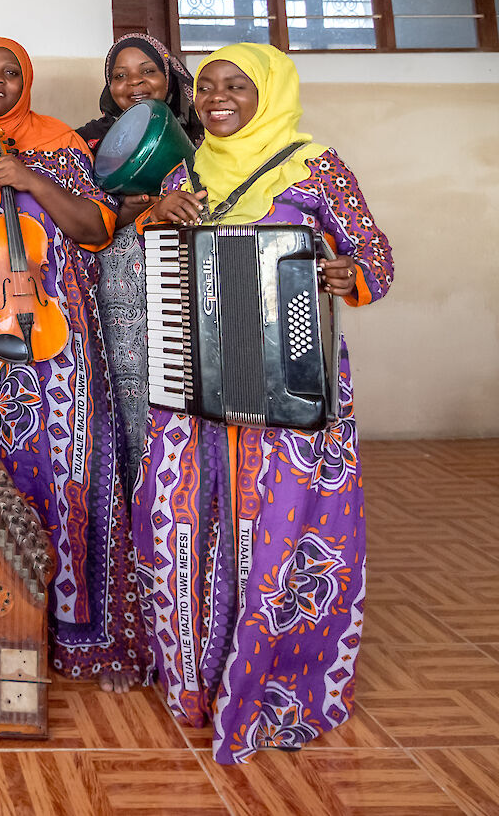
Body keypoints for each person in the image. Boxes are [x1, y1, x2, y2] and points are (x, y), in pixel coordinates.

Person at [133, 42, 393, 762]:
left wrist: (348, 272)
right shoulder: (184, 169)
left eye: (237, 86)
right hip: (196, 386)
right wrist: (158, 211)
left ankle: (274, 681)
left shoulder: (314, 165)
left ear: (270, 89)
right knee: (191, 521)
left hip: (290, 383)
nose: (219, 98)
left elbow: (377, 257)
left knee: (281, 527)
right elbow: (154, 257)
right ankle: (198, 679)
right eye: (208, 86)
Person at [0, 36, 146, 693]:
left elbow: (95, 225)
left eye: (9, 71)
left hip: (53, 339)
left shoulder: (57, 141)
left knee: (66, 472)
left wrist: (30, 179)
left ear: (24, 82)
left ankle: (77, 631)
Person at [76, 33, 204, 497]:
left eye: (147, 71)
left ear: (169, 77)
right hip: (116, 291)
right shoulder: (87, 141)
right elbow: (82, 217)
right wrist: (150, 207)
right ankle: (131, 528)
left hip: (189, 288)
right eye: (119, 75)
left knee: (187, 404)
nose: (134, 83)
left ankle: (180, 516)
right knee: (127, 405)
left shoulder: (206, 139)